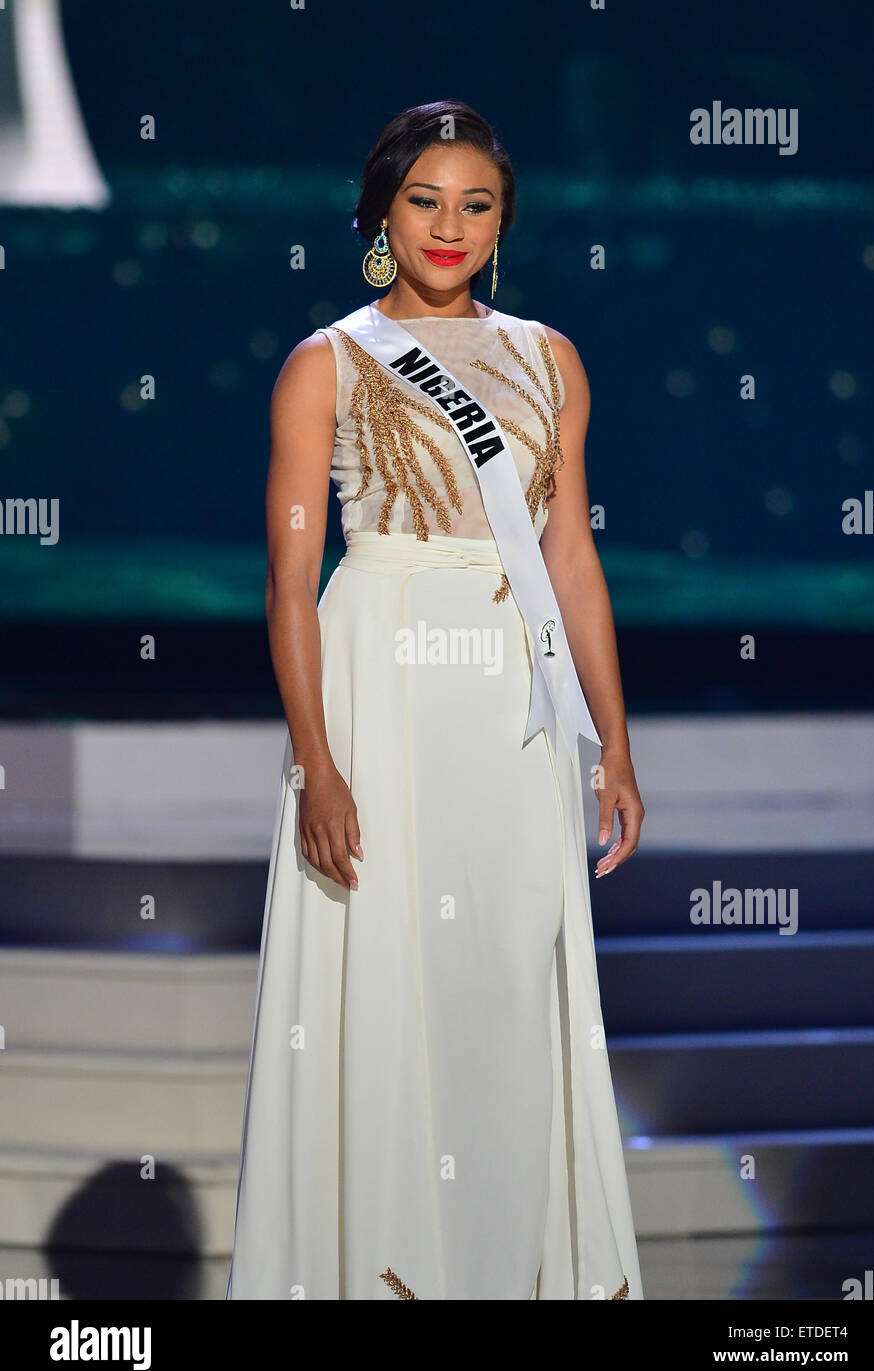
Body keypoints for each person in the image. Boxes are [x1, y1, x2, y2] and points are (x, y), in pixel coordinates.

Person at [227, 99, 645, 1301]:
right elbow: (291, 585)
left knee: (511, 972)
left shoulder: (549, 357)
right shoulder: (327, 362)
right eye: (424, 201)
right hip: (383, 682)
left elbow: (570, 559)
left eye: (475, 204)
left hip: (515, 699)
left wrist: (613, 741)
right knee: (390, 970)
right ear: (380, 214)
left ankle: (511, 1265)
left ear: (503, 222)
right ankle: (387, 1263)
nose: (448, 226)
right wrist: (318, 762)